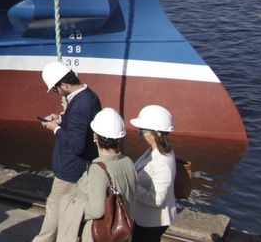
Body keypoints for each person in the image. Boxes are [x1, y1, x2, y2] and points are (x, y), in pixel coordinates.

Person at [35, 61, 103, 242]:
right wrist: (60, 118)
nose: (56, 92)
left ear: (64, 85)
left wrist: (55, 129)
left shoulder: (80, 104)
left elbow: (76, 144)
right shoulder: (90, 97)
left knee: (54, 209)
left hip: (70, 170)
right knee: (69, 211)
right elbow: (81, 124)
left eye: (55, 89)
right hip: (80, 167)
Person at [57, 108, 137, 242]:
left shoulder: (98, 169)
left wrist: (70, 203)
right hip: (122, 232)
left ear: (95, 137)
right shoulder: (128, 162)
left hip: (99, 235)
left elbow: (97, 210)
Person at [129, 105, 178, 242]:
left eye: (143, 131)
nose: (140, 134)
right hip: (143, 218)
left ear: (158, 133)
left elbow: (156, 200)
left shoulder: (162, 161)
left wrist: (131, 185)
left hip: (151, 223)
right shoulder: (154, 150)